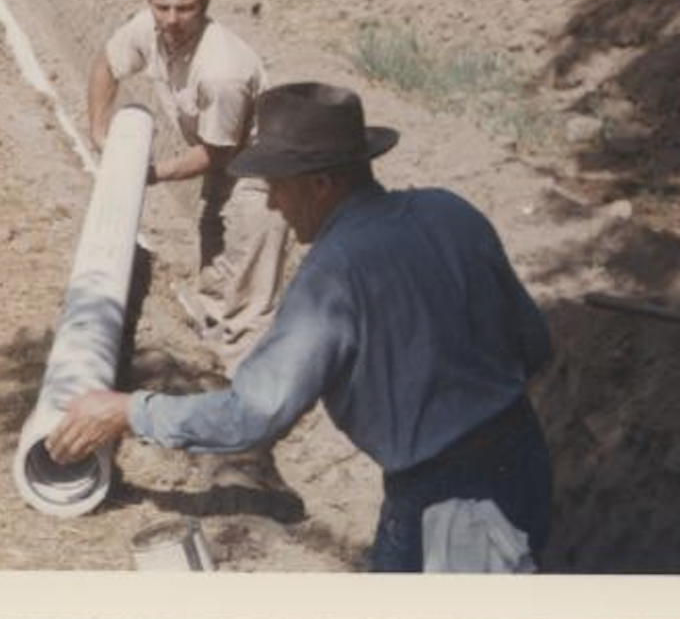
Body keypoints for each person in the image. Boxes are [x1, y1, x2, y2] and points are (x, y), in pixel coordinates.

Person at [49, 82, 554, 572]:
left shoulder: (335, 272)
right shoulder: (449, 212)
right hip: (520, 459)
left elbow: (254, 413)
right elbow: (534, 344)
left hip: (457, 508)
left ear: (320, 184)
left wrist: (130, 411)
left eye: (277, 187)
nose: (273, 204)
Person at [88, 0, 290, 374]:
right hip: (224, 159)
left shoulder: (222, 72)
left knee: (249, 289)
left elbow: (216, 153)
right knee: (215, 264)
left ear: (205, 6)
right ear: (150, 4)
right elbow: (107, 64)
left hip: (261, 174)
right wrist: (98, 131)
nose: (172, 19)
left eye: (185, 9)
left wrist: (147, 174)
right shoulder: (148, 27)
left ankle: (250, 381)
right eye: (163, 8)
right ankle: (215, 361)